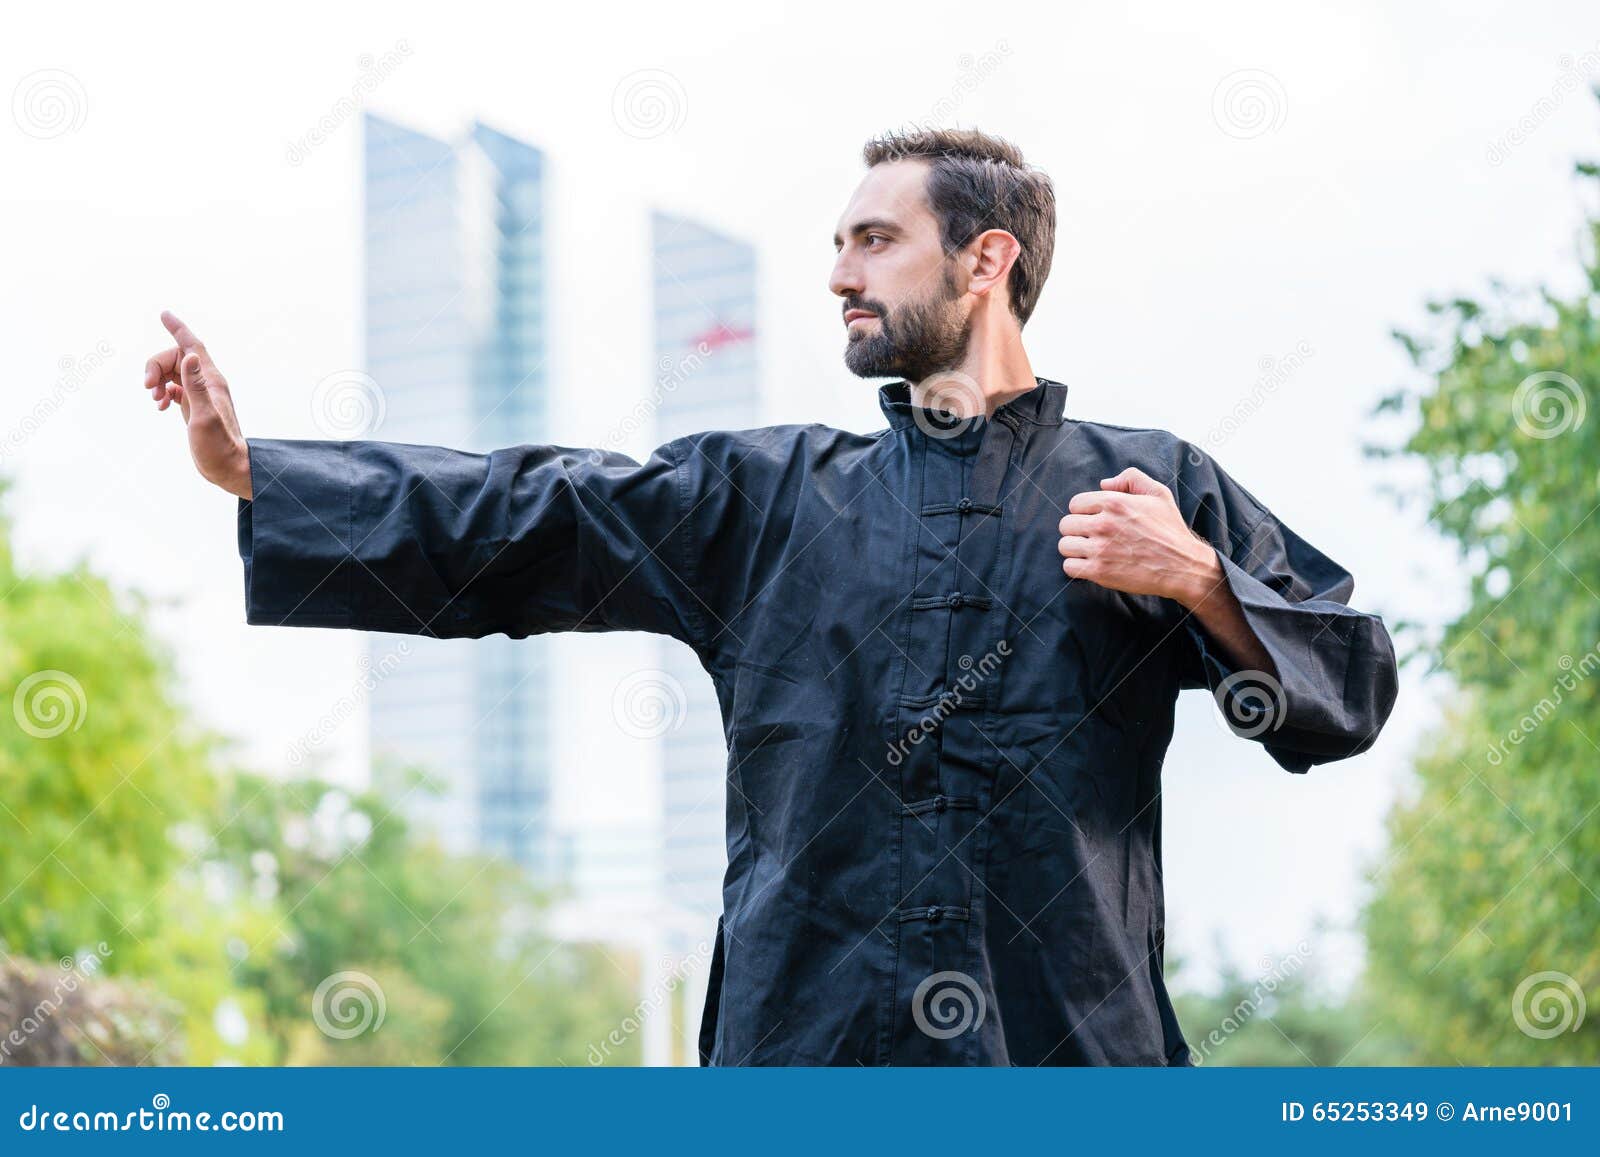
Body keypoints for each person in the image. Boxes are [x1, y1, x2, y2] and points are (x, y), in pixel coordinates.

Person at [143, 128, 1398, 1066]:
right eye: (836, 245)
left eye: (874, 241)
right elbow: (533, 511)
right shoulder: (772, 497)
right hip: (806, 1054)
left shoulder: (1147, 488)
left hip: (1066, 1054)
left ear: (985, 258)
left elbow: (1345, 689)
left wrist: (1194, 578)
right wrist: (261, 475)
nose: (841, 274)